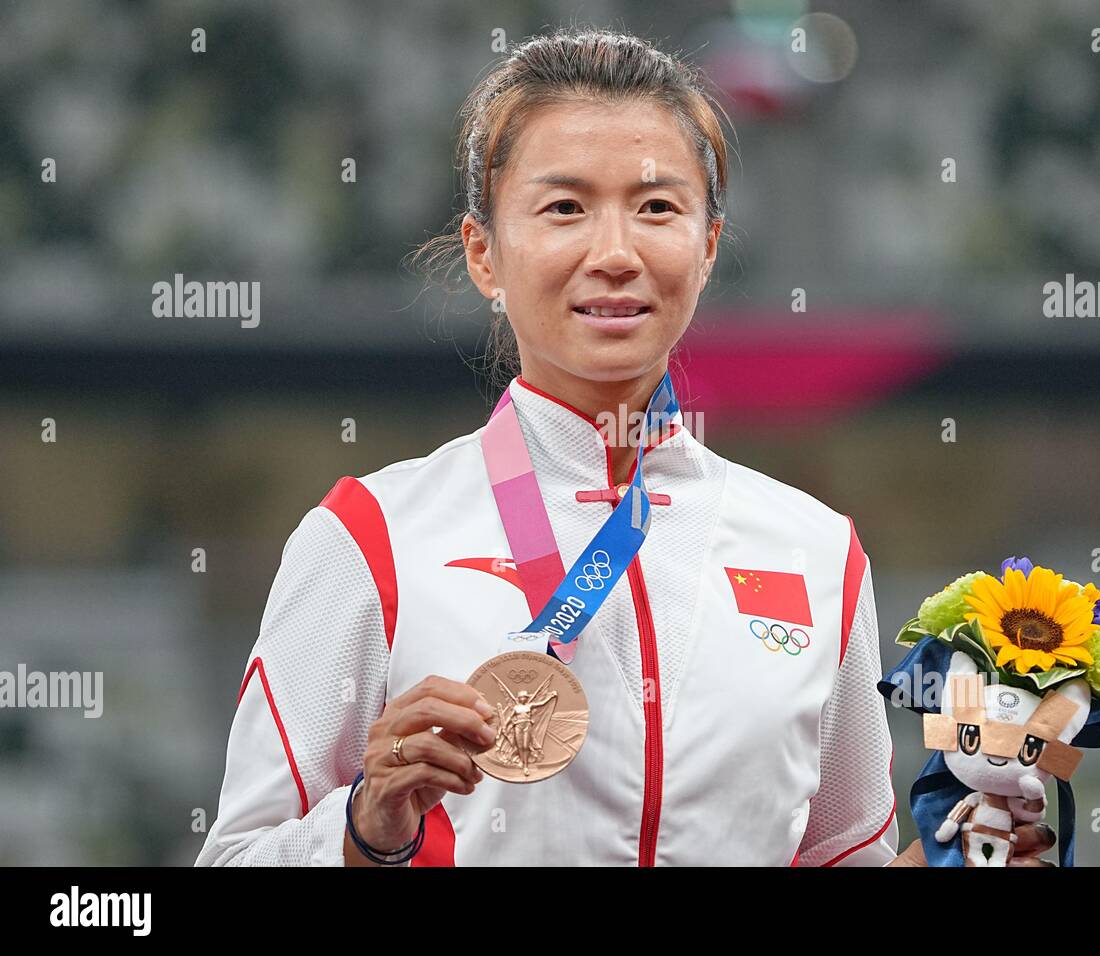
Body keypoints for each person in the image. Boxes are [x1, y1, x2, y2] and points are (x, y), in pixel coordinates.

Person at [195, 27, 1054, 867]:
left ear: (708, 246)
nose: (615, 253)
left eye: (657, 208)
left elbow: (838, 856)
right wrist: (363, 830)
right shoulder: (371, 537)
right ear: (484, 254)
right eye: (564, 207)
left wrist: (967, 854)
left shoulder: (818, 552)